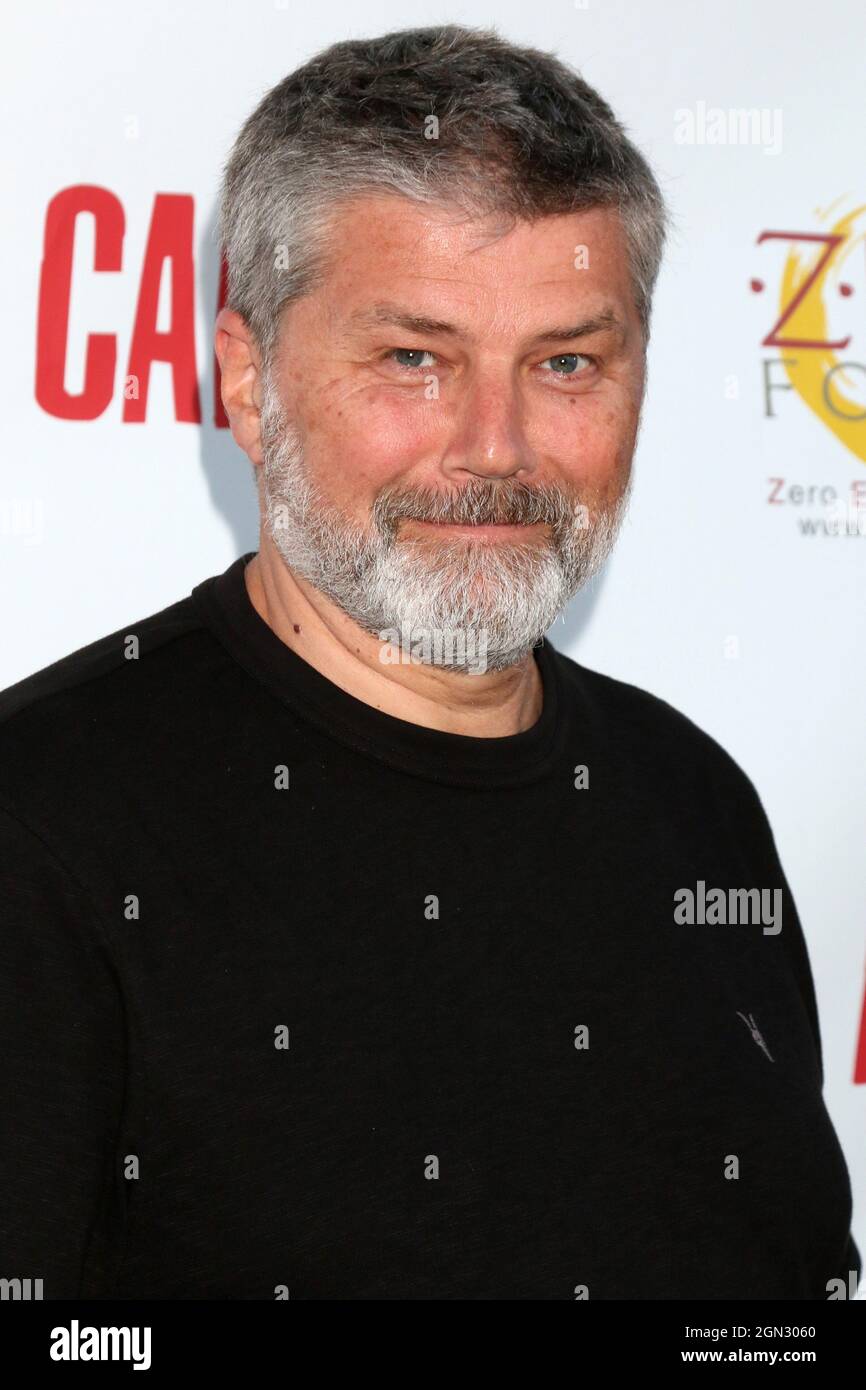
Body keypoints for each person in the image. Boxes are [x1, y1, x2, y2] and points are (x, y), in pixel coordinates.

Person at [0, 24, 859, 1300]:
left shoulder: (693, 799)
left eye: (565, 361)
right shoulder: (38, 827)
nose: (495, 448)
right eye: (415, 358)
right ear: (245, 383)